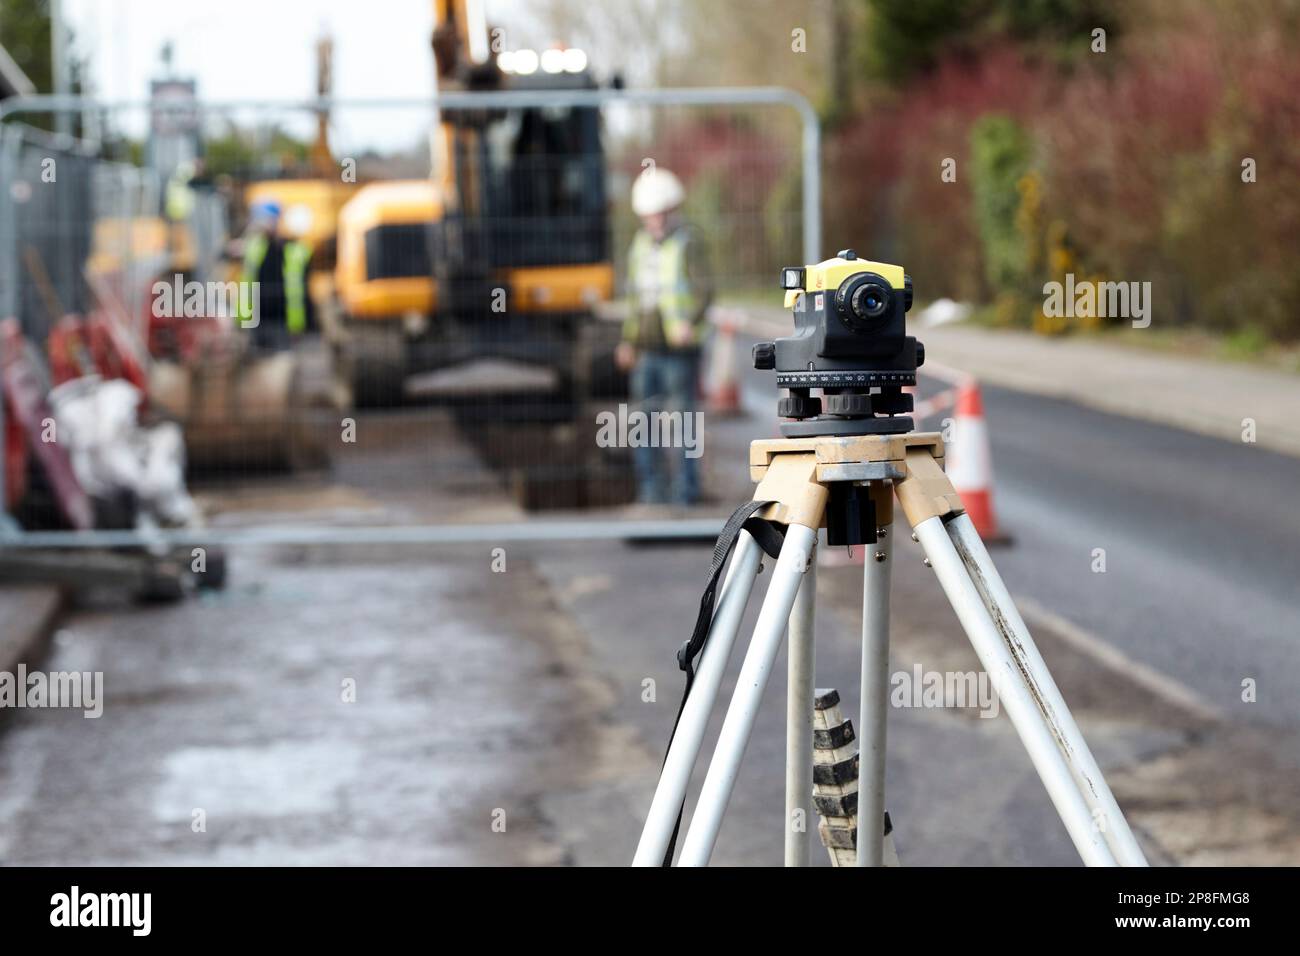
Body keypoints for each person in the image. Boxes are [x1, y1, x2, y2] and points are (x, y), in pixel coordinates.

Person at [617, 166, 713, 506]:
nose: (653, 222)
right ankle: (652, 494)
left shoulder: (689, 243)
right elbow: (635, 301)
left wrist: (689, 322)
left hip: (680, 351)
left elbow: (705, 291)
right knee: (645, 424)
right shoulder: (640, 247)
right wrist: (628, 342)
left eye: (658, 215)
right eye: (648, 217)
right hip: (647, 351)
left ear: (671, 211)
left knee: (685, 423)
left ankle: (686, 493)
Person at [239, 200, 314, 351]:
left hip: (285, 320)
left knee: (283, 359)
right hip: (258, 319)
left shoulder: (294, 248)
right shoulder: (254, 246)